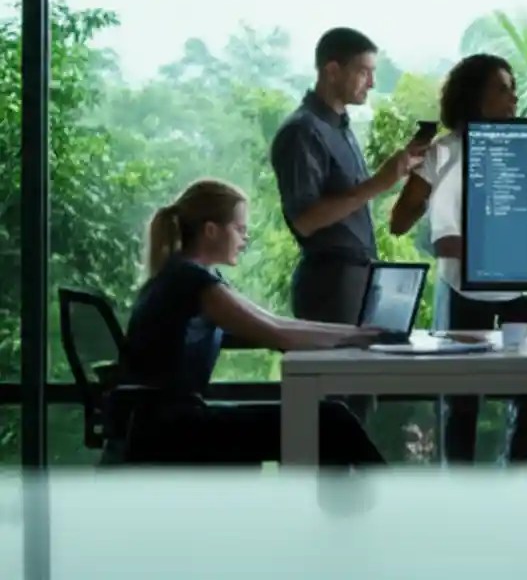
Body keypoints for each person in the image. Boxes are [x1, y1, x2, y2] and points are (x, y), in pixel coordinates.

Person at [117, 179, 385, 466]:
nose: (244, 240)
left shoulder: (182, 275)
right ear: (211, 231)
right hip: (173, 429)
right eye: (239, 229)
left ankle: (356, 506)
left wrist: (355, 334)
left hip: (161, 423)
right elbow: (278, 332)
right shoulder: (192, 280)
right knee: (332, 420)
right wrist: (357, 336)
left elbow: (273, 324)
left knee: (329, 419)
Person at [390, 53, 527, 465]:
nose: (512, 98)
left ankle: (519, 485)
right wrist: (424, 183)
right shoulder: (443, 153)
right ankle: (461, 495)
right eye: (501, 89)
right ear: (473, 95)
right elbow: (399, 222)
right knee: (462, 400)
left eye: (513, 89)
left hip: (518, 290)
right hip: (461, 289)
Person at [271, 27, 427, 325]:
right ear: (332, 71)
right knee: (340, 370)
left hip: (357, 278)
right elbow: (305, 220)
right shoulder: (302, 131)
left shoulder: (340, 127)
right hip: (330, 284)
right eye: (363, 72)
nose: (372, 83)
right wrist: (379, 183)